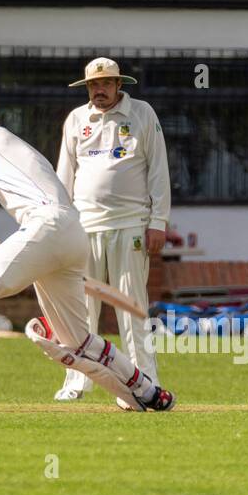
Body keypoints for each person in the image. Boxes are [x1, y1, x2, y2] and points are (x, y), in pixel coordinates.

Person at [0, 102, 175, 414]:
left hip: (48, 225)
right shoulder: (6, 142)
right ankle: (145, 389)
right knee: (75, 339)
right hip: (71, 232)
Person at [53, 58, 171, 406]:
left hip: (130, 224)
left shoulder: (143, 114)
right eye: (93, 85)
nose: (99, 91)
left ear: (119, 85)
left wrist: (158, 221)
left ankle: (142, 382)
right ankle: (77, 381)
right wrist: (61, 225)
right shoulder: (77, 120)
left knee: (131, 308)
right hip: (84, 226)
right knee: (80, 310)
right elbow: (65, 176)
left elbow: (159, 170)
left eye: (105, 84)